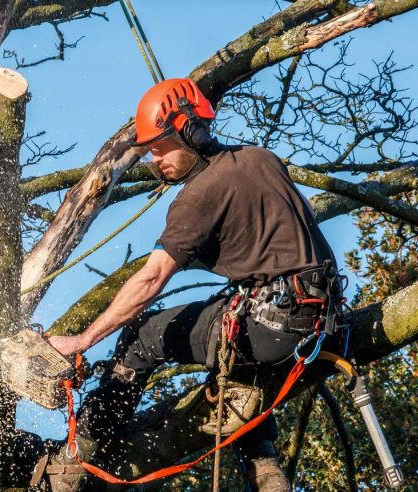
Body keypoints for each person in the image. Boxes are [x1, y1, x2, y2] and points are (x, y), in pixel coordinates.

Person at [40, 78, 343, 491]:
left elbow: (152, 278)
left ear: (190, 132)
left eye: (161, 147)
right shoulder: (261, 159)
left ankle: (78, 460)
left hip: (273, 325)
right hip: (323, 319)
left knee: (142, 336)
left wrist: (82, 340)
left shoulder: (199, 194)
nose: (155, 159)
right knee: (232, 348)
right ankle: (264, 468)